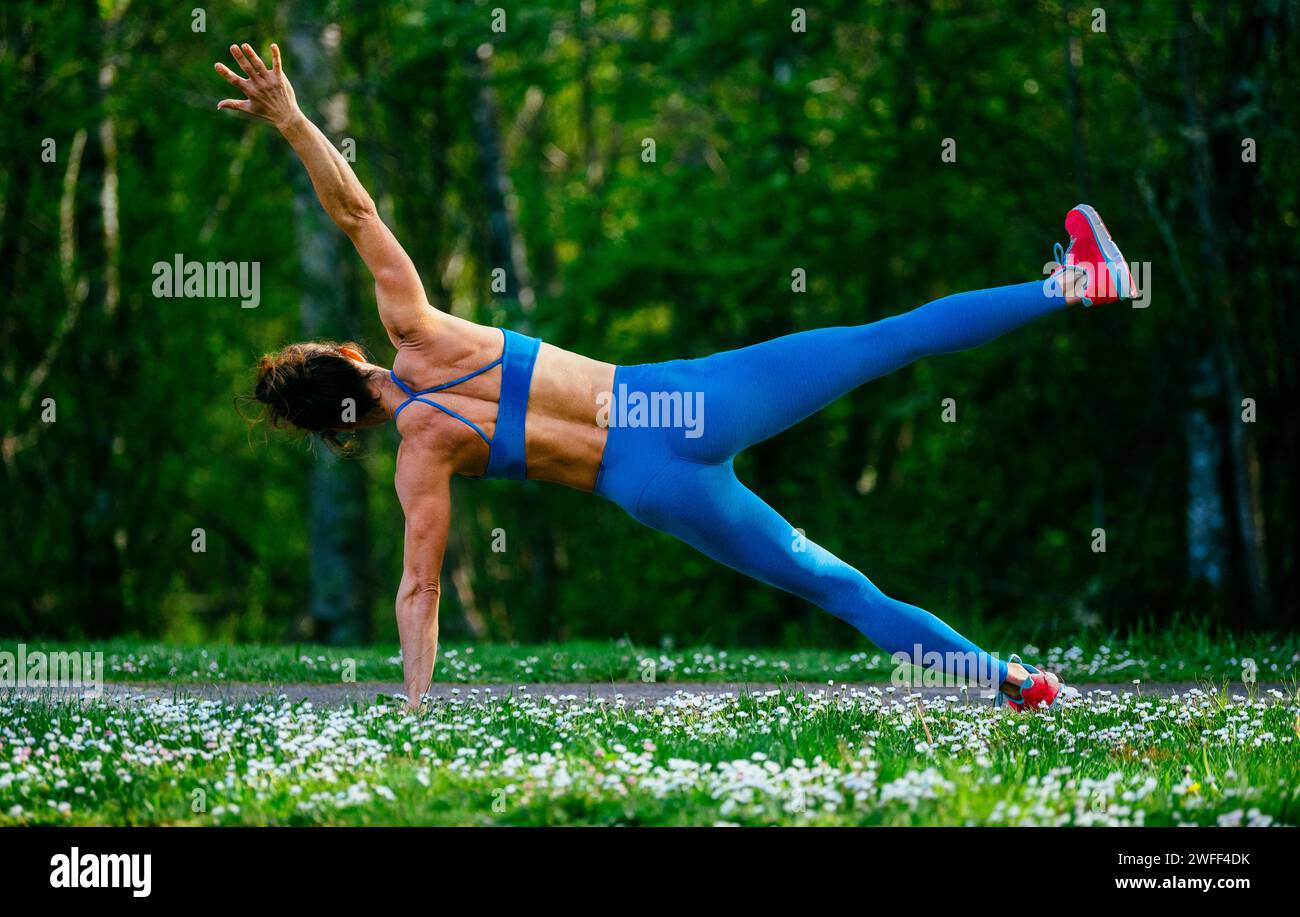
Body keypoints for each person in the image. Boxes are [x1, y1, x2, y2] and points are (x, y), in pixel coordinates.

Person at [217, 42, 1137, 710]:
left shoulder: (418, 462)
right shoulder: (416, 329)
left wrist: (417, 711)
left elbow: (416, 596)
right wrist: (294, 120)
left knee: (842, 589)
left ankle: (1016, 682)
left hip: (649, 487)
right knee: (887, 338)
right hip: (677, 401)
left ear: (337, 427)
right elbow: (355, 210)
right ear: (348, 355)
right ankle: (1073, 282)